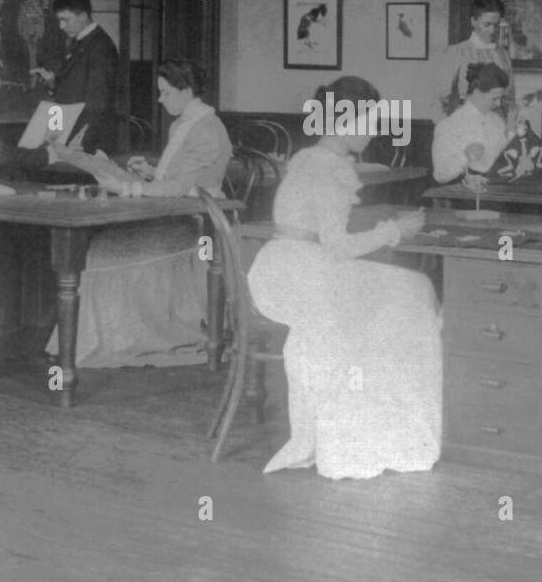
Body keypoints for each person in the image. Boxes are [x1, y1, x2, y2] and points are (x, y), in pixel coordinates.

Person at [247, 76, 442, 479]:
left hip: (281, 265)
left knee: (405, 287)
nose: (373, 133)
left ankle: (386, 421)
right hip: (302, 274)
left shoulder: (308, 157)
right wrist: (395, 232)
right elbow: (337, 247)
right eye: (369, 123)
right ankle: (386, 431)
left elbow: (323, 231)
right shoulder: (331, 169)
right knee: (412, 291)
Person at [45, 60, 232, 368]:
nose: (160, 100)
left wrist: (127, 187)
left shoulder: (208, 129)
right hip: (175, 211)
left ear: (187, 91)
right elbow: (176, 180)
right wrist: (152, 172)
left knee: (105, 251)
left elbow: (182, 187)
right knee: (101, 245)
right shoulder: (182, 123)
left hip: (198, 225)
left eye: (165, 92)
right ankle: (99, 339)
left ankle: (120, 339)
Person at [29, 0, 119, 154]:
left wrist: (84, 135)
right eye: (60, 20)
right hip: (70, 129)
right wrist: (52, 82)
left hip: (85, 136)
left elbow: (99, 98)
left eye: (65, 20)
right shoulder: (80, 42)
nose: (61, 26)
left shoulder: (100, 46)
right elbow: (75, 86)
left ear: (83, 16)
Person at [431, 0, 514, 123]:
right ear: (473, 21)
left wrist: (511, 123)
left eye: (496, 25)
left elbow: (509, 96)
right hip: (466, 122)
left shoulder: (503, 54)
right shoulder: (457, 52)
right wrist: (447, 128)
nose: (492, 30)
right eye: (487, 24)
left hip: (497, 123)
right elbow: (439, 98)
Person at [431, 62, 517, 186]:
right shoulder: (449, 125)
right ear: (477, 93)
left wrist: (511, 127)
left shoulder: (497, 121)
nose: (498, 104)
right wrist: (465, 156)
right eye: (494, 98)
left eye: (500, 98)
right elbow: (440, 174)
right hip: (466, 197)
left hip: (499, 191)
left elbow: (506, 160)